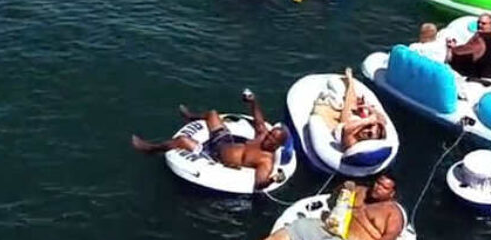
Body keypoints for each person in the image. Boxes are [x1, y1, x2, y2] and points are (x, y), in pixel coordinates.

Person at [130, 90, 288, 191]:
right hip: (224, 142)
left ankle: (150, 149)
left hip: (213, 155)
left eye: (272, 138)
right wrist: (253, 101)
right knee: (212, 114)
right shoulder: (262, 136)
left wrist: (272, 179)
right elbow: (259, 121)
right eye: (270, 134)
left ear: (277, 145)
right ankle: (191, 117)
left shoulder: (265, 161)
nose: (268, 137)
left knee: (182, 141)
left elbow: (259, 183)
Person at [262, 175, 405, 240]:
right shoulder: (360, 191)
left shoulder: (392, 211)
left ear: (392, 193)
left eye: (384, 187)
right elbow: (332, 200)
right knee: (285, 233)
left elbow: (389, 237)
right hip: (327, 229)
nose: (377, 188)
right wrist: (342, 187)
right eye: (378, 183)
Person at [311, 68, 388, 150]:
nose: (366, 131)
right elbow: (383, 120)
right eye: (368, 127)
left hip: (335, 119)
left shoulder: (352, 142)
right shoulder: (360, 130)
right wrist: (368, 109)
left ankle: (350, 82)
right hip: (346, 115)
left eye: (369, 134)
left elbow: (346, 127)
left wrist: (369, 120)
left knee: (334, 83)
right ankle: (350, 83)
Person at [446, 13, 491, 79]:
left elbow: (465, 50)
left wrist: (452, 48)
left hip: (480, 74)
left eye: (483, 23)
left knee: (451, 58)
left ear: (490, 24)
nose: (479, 25)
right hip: (490, 73)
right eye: (478, 23)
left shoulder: (480, 38)